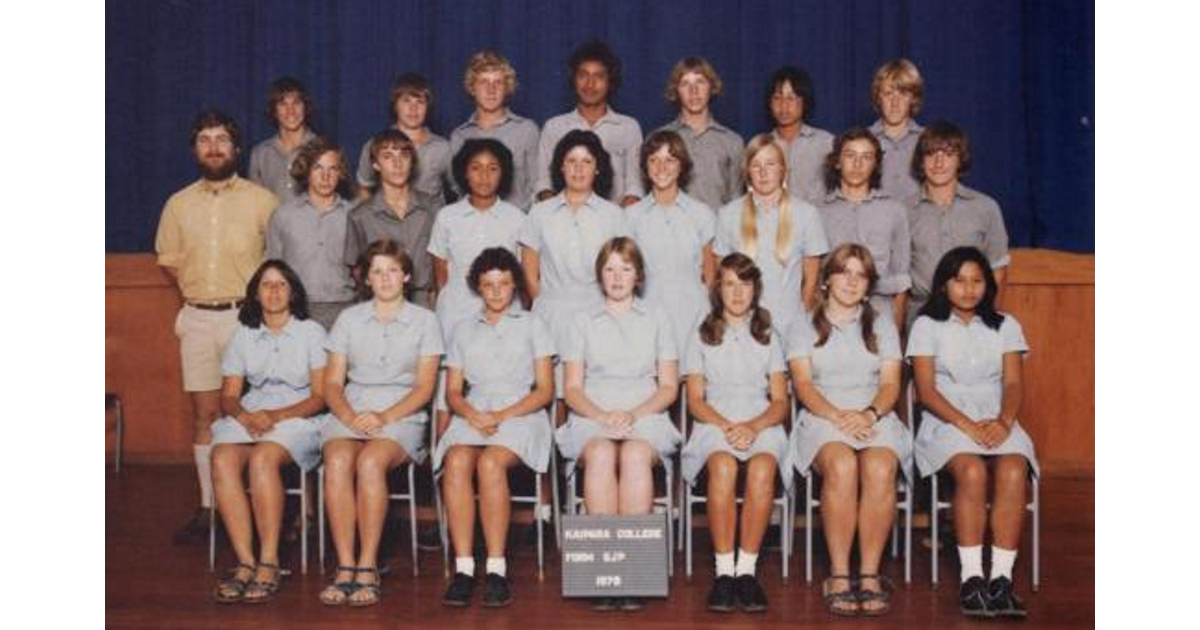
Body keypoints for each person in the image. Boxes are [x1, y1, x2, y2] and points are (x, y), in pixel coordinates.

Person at [155, 108, 278, 545]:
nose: (213, 147)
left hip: (246, 319)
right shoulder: (178, 204)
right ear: (194, 149)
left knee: (252, 410)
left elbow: (277, 263)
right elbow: (169, 261)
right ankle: (211, 507)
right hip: (197, 318)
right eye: (205, 140)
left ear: (236, 148)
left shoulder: (262, 201)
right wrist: (200, 295)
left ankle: (258, 508)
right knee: (205, 413)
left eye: (222, 139)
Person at [907, 246, 1036, 619]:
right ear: (943, 285)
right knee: (973, 470)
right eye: (959, 280)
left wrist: (1003, 422)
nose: (968, 289)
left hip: (997, 416)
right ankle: (972, 578)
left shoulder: (1006, 325)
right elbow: (926, 392)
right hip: (946, 418)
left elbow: (1013, 384)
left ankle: (1001, 580)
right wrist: (967, 426)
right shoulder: (926, 325)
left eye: (977, 281)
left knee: (1014, 469)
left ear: (988, 285)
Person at [556, 237, 680, 613]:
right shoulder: (581, 322)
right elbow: (572, 389)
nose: (617, 277)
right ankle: (602, 572)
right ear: (599, 275)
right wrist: (601, 417)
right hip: (592, 414)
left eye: (625, 269)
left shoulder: (658, 318)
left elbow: (669, 387)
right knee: (600, 453)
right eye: (609, 269)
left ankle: (631, 573)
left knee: (635, 456)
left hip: (646, 414)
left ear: (638, 275)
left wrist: (633, 416)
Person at [317, 239, 443, 607]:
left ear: (406, 276)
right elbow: (331, 384)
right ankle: (345, 565)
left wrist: (384, 417)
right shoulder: (348, 319)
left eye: (392, 270)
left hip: (401, 414)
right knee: (338, 460)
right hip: (352, 409)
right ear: (366, 279)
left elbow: (424, 388)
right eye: (377, 271)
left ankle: (368, 565)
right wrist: (349, 417)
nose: (385, 278)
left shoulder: (425, 321)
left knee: (370, 461)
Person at [788, 244, 911, 616]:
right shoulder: (803, 323)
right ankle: (839, 574)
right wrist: (838, 416)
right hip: (823, 416)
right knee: (842, 465)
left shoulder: (882, 323)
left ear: (869, 284)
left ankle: (869, 574)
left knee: (880, 466)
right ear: (827, 279)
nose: (852, 281)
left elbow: (890, 384)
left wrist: (869, 414)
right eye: (844, 272)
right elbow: (803, 385)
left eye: (861, 275)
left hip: (873, 414)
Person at [434, 248, 555, 608]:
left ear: (515, 284)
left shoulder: (533, 324)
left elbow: (545, 390)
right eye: (488, 285)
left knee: (490, 463)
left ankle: (496, 569)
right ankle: (464, 568)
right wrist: (472, 414)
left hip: (521, 411)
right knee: (456, 461)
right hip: (474, 410)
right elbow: (453, 392)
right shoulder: (463, 329)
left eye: (503, 283)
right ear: (478, 287)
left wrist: (500, 416)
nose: (497, 291)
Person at [209, 260, 327, 604]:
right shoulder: (244, 333)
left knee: (263, 459)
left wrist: (275, 416)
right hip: (252, 412)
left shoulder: (311, 332)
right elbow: (229, 396)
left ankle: (269, 561)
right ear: (256, 294)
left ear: (293, 292)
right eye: (266, 285)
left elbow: (320, 397)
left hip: (297, 415)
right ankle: (245, 561)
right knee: (222, 458)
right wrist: (246, 417)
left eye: (281, 285)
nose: (274, 291)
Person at [681, 253, 789, 614]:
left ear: (756, 289)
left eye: (745, 284)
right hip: (715, 420)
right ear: (718, 289)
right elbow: (695, 401)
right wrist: (728, 426)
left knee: (762, 468)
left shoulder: (769, 334)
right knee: (723, 466)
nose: (738, 292)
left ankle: (747, 571)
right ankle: (724, 572)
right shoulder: (701, 333)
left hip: (760, 419)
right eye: (729, 284)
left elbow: (780, 402)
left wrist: (753, 426)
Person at [520, 130, 630, 380]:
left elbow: (623, 271)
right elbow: (529, 273)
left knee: (593, 386)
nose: (578, 169)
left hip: (599, 313)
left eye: (586, 162)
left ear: (598, 168)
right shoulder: (539, 213)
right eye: (571, 161)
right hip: (550, 314)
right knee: (550, 387)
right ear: (561, 166)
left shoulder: (614, 215)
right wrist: (545, 307)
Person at [714, 134, 829, 334]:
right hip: (744, 326)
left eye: (770, 164)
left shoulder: (807, 214)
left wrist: (799, 325)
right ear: (747, 172)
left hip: (790, 326)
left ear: (783, 169)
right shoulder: (728, 214)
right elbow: (722, 278)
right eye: (756, 165)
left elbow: (811, 281)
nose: (763, 172)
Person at [907, 121, 1010, 324]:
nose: (938, 163)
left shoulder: (986, 207)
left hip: (973, 317)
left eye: (948, 154)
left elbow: (998, 268)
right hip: (921, 316)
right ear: (921, 161)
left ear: (960, 160)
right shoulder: (904, 211)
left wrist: (987, 318)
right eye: (931, 154)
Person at [627, 130, 717, 352]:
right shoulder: (631, 216)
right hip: (647, 315)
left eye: (670, 160)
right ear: (645, 166)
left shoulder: (701, 214)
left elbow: (710, 276)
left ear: (681, 165)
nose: (661, 168)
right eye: (654, 160)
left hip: (694, 316)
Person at [428, 139, 525, 338]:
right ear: (464, 172)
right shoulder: (447, 217)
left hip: (504, 317)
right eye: (476, 168)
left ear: (503, 173)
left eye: (492, 168)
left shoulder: (518, 219)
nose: (484, 176)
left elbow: (522, 277)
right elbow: (441, 277)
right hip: (455, 316)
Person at [818, 128, 911, 325]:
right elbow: (814, 276)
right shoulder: (818, 212)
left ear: (875, 164)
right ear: (837, 161)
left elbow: (901, 278)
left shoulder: (894, 210)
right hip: (832, 314)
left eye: (866, 157)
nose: (857, 164)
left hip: (880, 313)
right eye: (850, 155)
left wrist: (895, 329)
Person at [535, 39, 643, 207]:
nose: (590, 84)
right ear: (574, 79)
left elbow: (635, 187)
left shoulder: (629, 128)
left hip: (616, 219)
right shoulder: (554, 127)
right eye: (583, 75)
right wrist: (560, 215)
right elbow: (543, 183)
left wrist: (615, 219)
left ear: (610, 82)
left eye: (599, 76)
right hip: (562, 219)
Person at [266, 137, 356, 330]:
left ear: (340, 173)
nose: (326, 176)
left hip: (343, 310)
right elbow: (273, 268)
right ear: (306, 171)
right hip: (296, 310)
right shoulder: (283, 215)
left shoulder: (355, 215)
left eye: (332, 169)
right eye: (318, 168)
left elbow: (363, 271)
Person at [345, 129, 439, 307]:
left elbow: (442, 259)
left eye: (404, 155)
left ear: (412, 161)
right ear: (375, 164)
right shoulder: (360, 216)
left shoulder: (433, 208)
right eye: (388, 156)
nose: (398, 164)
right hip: (380, 302)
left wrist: (437, 293)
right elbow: (356, 269)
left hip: (425, 301)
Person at [448, 50, 540, 209]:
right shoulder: (459, 136)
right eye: (484, 82)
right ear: (472, 88)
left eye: (498, 83)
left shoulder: (526, 130)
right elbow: (457, 189)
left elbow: (537, 184)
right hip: (473, 221)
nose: (491, 89)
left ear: (507, 88)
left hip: (518, 219)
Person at [654, 57, 744, 209]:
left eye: (700, 82)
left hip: (717, 223)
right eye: (685, 84)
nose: (693, 91)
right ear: (676, 90)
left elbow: (737, 202)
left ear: (711, 87)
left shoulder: (732, 142)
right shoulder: (659, 139)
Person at [356, 73, 451, 207]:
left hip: (432, 219)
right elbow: (364, 188)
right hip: (389, 219)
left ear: (428, 107)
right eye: (406, 101)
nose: (413, 108)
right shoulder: (375, 145)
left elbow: (460, 190)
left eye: (420, 102)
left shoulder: (443, 147)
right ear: (395, 105)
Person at [766, 65, 834, 205]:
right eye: (777, 98)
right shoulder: (762, 145)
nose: (784, 106)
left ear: (805, 102)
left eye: (791, 98)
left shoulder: (826, 143)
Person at [249, 77, 318, 203]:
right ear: (274, 111)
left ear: (305, 107)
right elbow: (255, 205)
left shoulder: (322, 150)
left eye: (296, 103)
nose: (290, 111)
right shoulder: (260, 154)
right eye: (282, 104)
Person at [869, 59, 925, 203]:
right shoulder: (863, 141)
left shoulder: (927, 140)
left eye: (903, 94)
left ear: (913, 98)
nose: (895, 102)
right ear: (878, 97)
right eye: (888, 94)